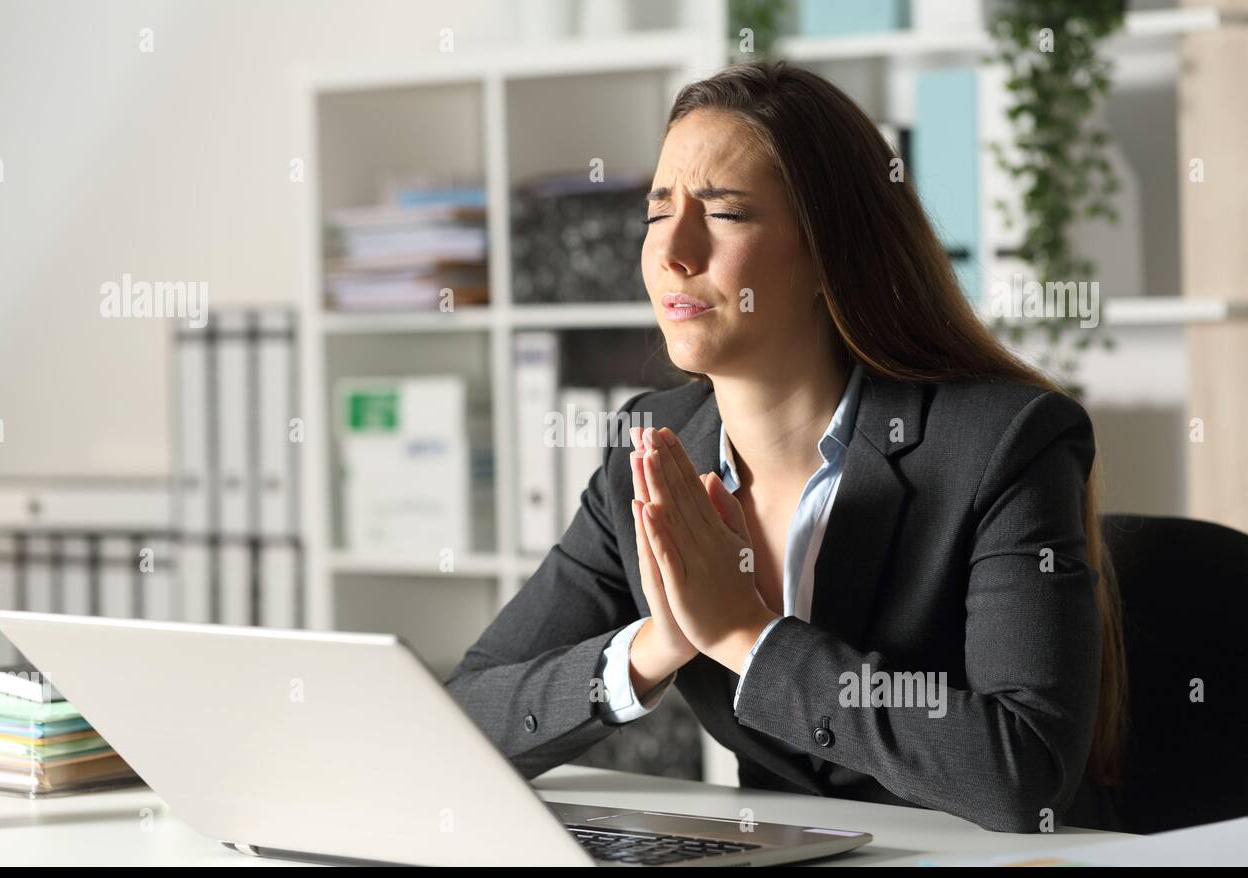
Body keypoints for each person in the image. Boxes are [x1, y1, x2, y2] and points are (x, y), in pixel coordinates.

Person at [446, 61, 1127, 834]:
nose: (674, 251)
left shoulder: (1003, 443)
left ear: (827, 254)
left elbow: (1023, 773)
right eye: (657, 211)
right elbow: (462, 716)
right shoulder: (652, 448)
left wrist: (745, 635)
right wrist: (656, 640)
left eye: (727, 213)